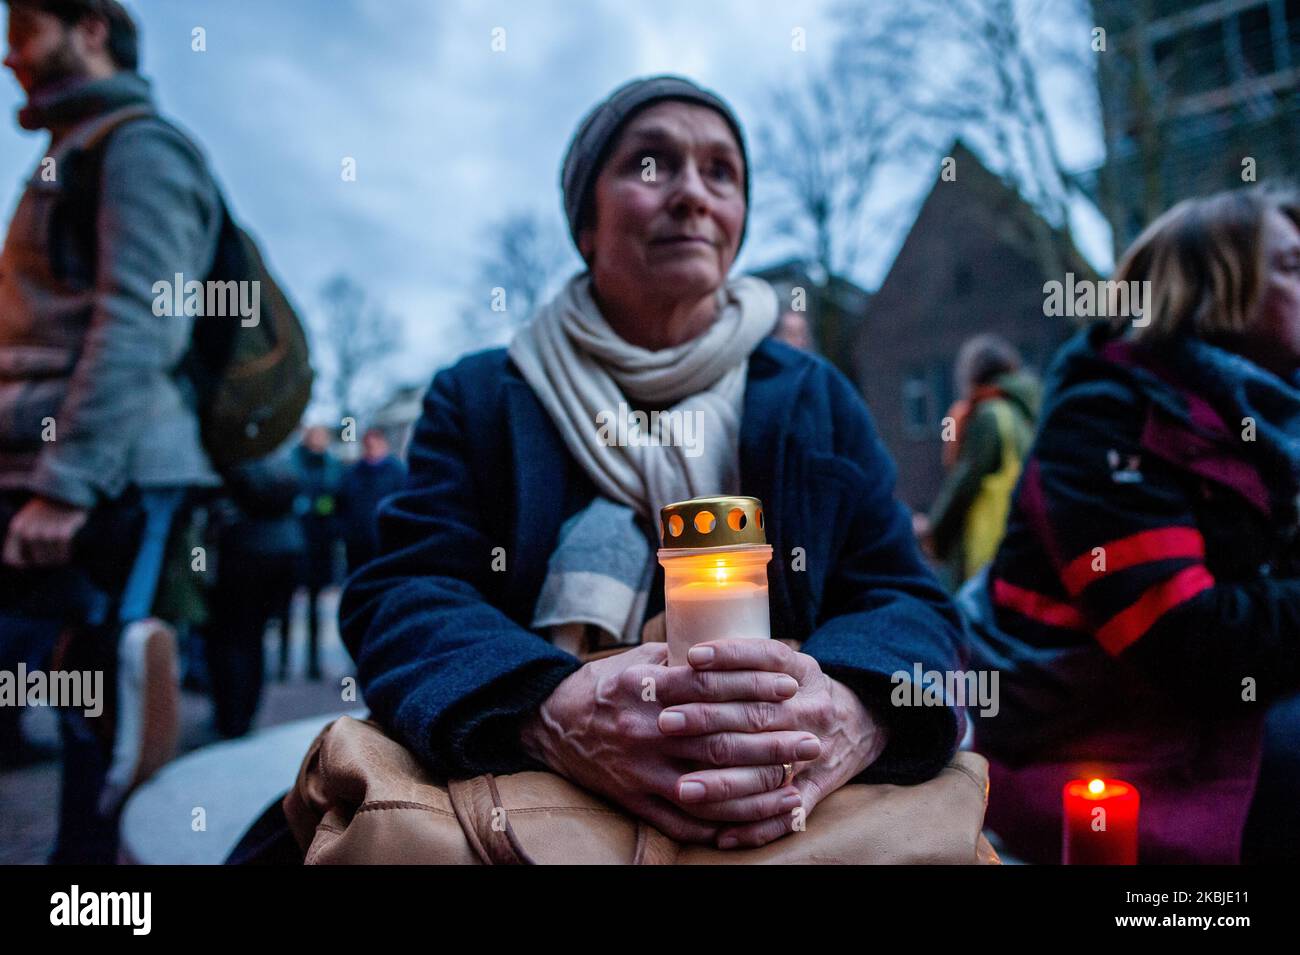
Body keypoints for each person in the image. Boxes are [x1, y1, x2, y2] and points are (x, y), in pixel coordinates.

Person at [339, 75, 967, 852]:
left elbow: (908, 597)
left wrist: (854, 710)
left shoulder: (814, 399)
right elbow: (402, 594)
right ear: (585, 223)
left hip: (782, 812)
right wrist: (547, 708)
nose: (693, 195)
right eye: (650, 165)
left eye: (721, 172)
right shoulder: (482, 398)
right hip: (531, 812)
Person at [958, 185, 1300, 864]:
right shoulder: (1106, 415)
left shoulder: (1273, 415)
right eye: (1290, 265)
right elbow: (1188, 639)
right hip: (1084, 728)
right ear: (1216, 289)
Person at [0, 0, 222, 861]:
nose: (10, 55)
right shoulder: (74, 149)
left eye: (24, 31)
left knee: (103, 717)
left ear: (90, 28)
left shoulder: (137, 147)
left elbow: (142, 317)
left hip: (106, 474)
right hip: (64, 464)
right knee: (73, 694)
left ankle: (90, 898)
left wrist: (68, 479)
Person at [920, 334, 1039, 590]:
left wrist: (934, 537)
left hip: (985, 561)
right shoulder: (1024, 418)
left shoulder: (990, 416)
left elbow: (963, 486)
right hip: (1020, 559)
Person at [205, 450, 305, 738]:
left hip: (243, 553)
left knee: (233, 639)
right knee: (254, 638)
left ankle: (232, 719)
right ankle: (245, 714)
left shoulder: (233, 458)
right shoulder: (281, 458)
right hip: (283, 551)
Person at [285, 425, 342, 680]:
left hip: (321, 543)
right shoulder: (294, 463)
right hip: (297, 542)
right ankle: (285, 664)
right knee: (286, 603)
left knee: (315, 605)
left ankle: (313, 664)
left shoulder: (332, 465)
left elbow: (337, 498)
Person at [339, 428, 406, 574]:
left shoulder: (398, 472)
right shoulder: (352, 473)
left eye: (375, 444)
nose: (372, 449)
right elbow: (341, 504)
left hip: (388, 540)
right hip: (358, 542)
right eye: (368, 445)